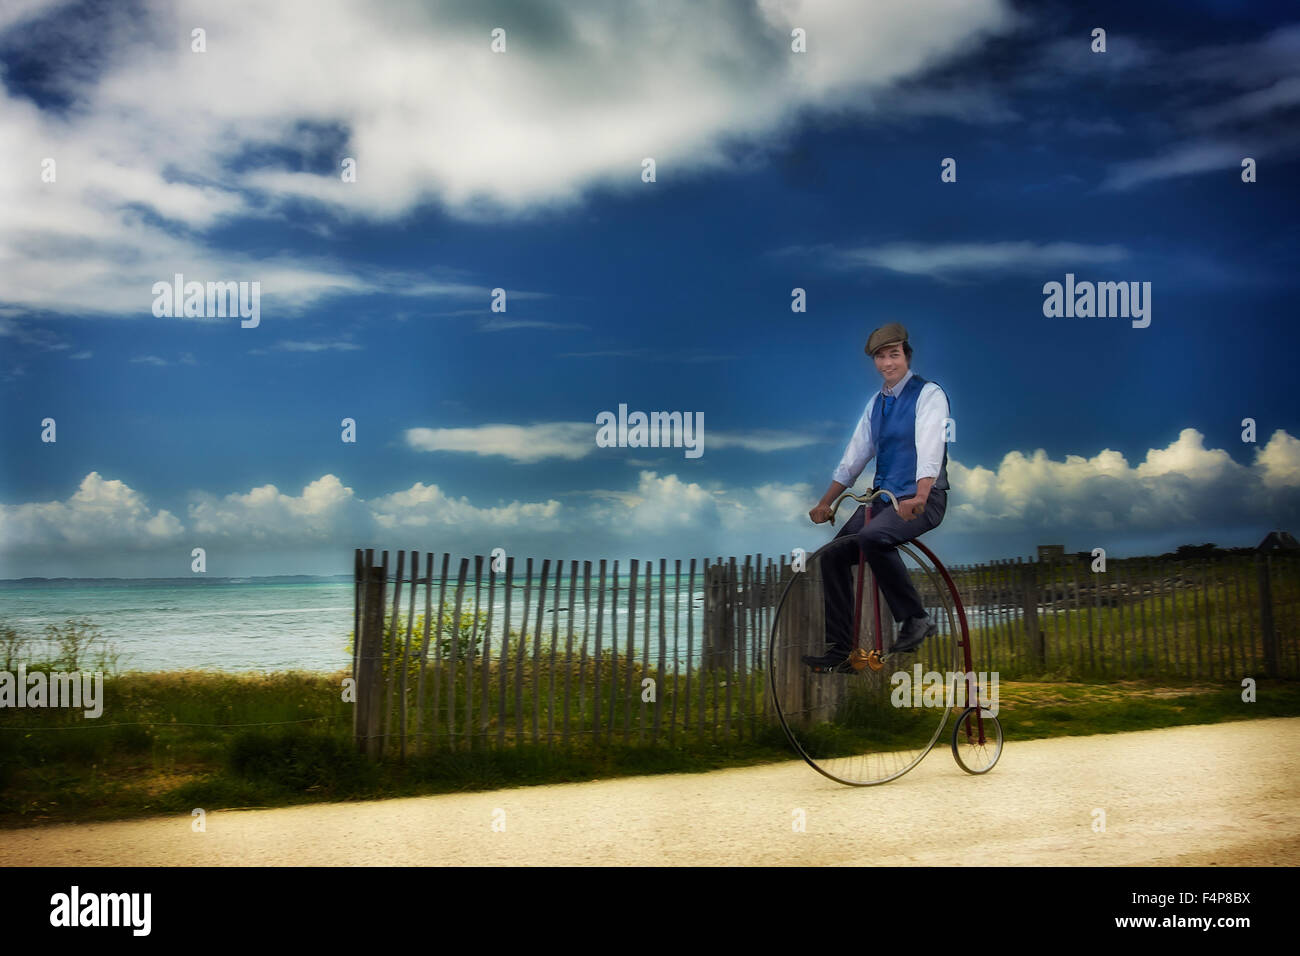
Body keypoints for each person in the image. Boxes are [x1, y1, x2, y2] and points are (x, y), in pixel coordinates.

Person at [804, 322, 950, 669]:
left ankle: (915, 618)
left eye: (894, 355)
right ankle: (843, 653)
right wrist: (826, 501)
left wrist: (921, 494)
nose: (887, 363)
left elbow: (930, 447)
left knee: (873, 537)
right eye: (881, 357)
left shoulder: (929, 395)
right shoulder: (876, 405)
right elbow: (855, 457)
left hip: (922, 500)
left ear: (906, 356)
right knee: (833, 555)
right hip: (884, 500)